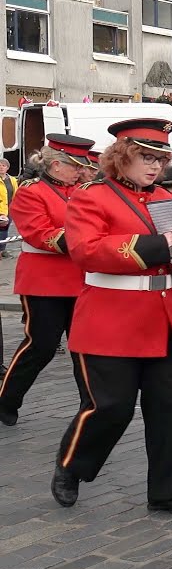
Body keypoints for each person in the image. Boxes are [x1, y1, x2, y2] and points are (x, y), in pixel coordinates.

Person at [53, 118, 172, 515]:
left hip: (166, 318)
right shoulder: (91, 196)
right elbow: (86, 251)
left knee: (169, 410)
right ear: (121, 156)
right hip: (110, 319)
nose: (155, 167)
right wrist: (161, 243)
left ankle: (165, 490)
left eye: (160, 159)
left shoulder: (165, 198)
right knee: (110, 407)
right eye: (145, 157)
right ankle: (73, 465)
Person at [0, 135, 94, 426]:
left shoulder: (83, 190)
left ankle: (91, 405)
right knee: (40, 345)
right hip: (44, 281)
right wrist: (85, 241)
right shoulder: (31, 191)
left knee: (85, 346)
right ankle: (7, 400)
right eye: (76, 166)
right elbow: (39, 233)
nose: (82, 172)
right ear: (55, 164)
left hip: (81, 279)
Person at [0, 157, 17, 258]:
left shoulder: (13, 180)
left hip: (8, 210)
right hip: (0, 209)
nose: (1, 167)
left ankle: (2, 250)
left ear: (7, 168)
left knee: (4, 231)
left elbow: (16, 194)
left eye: (3, 165)